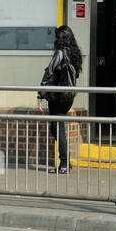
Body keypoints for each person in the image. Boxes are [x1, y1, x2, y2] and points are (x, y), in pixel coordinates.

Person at [38, 25, 83, 173]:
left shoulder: (60, 53)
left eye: (57, 37)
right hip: (68, 97)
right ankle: (65, 162)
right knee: (57, 126)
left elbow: (49, 72)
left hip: (58, 96)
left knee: (57, 127)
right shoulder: (74, 54)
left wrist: (40, 94)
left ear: (60, 39)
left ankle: (64, 164)